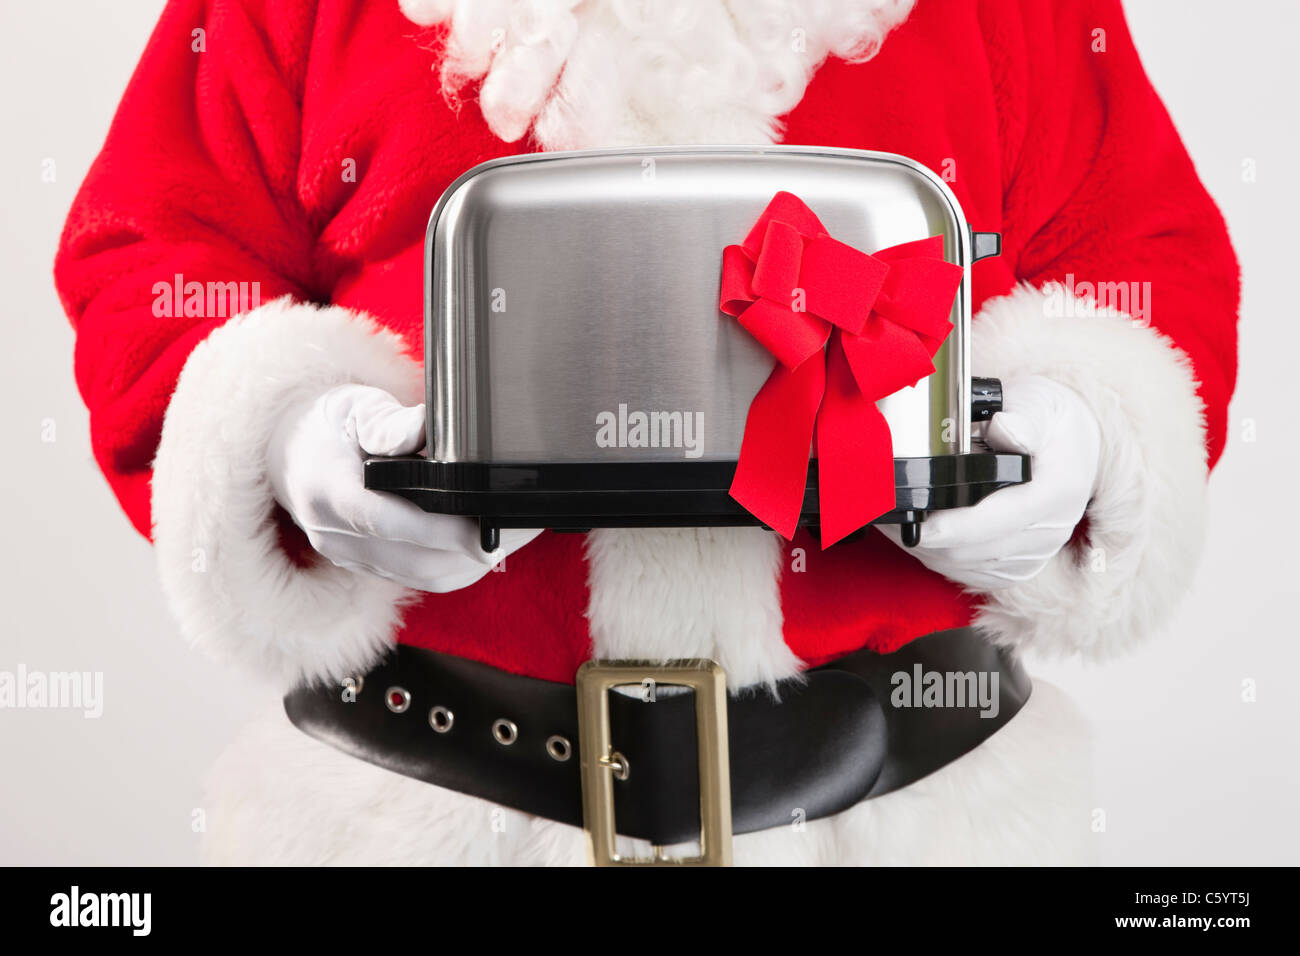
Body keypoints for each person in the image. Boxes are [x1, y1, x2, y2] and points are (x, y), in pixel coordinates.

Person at [54, 0, 1238, 864]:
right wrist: (281, 438)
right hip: (409, 809)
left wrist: (1081, 430)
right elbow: (151, 252)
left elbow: (1144, 254)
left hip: (916, 813)